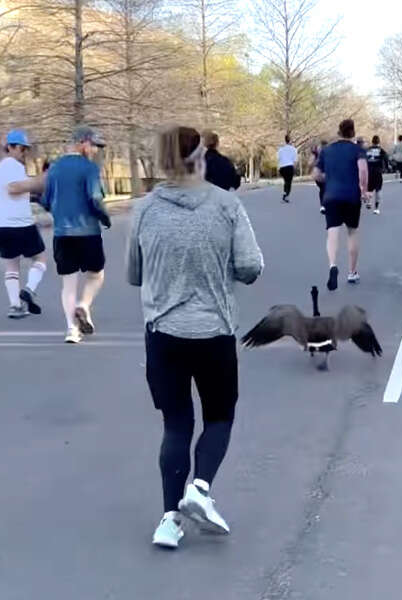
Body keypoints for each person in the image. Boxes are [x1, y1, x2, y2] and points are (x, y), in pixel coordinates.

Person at [126, 125, 264, 549]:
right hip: (214, 331)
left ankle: (169, 521)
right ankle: (199, 489)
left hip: (163, 333)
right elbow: (250, 266)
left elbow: (135, 273)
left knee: (176, 424)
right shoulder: (226, 206)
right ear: (200, 158)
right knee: (220, 417)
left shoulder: (145, 209)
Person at [39, 126, 112, 344]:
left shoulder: (54, 168)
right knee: (96, 274)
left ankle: (72, 330)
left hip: (62, 233)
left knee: (68, 284)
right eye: (93, 145)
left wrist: (59, 213)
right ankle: (83, 305)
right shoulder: (89, 168)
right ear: (82, 142)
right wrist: (104, 217)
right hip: (88, 231)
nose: (95, 151)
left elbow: (45, 200)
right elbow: (95, 198)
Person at [313, 119, 367, 290]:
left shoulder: (327, 150)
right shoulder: (357, 150)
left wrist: (326, 180)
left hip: (331, 196)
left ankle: (332, 265)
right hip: (351, 195)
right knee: (352, 232)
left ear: (339, 132)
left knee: (332, 232)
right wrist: (364, 189)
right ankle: (352, 272)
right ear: (352, 132)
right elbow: (363, 170)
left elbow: (316, 173)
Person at [1, 129, 48, 319]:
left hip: (3, 224)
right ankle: (29, 289)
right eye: (22, 148)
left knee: (12, 265)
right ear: (11, 147)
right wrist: (37, 182)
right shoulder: (13, 166)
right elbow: (14, 188)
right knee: (41, 259)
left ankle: (15, 306)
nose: (24, 153)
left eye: (26, 149)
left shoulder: (3, 166)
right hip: (22, 224)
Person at [364, 135, 387, 215]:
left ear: (372, 141)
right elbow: (386, 159)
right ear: (379, 142)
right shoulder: (381, 151)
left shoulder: (367, 150)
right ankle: (376, 208)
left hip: (369, 171)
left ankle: (368, 202)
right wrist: (385, 168)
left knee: (369, 189)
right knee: (378, 190)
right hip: (378, 172)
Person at [277, 135, 297, 203]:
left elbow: (278, 159)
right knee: (289, 182)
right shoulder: (294, 149)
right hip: (290, 166)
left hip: (282, 167)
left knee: (286, 181)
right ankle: (286, 195)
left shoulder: (281, 149)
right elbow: (295, 160)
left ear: (285, 140)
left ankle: (285, 193)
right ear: (290, 140)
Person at [313, 141, 327, 213]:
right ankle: (323, 205)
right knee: (324, 189)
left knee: (323, 189)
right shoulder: (318, 155)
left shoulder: (317, 154)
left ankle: (323, 205)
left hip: (321, 175)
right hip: (321, 175)